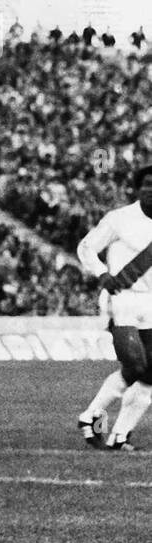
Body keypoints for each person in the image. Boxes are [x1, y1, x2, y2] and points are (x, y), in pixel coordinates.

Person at [75, 165, 152, 451]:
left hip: (151, 301)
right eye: (147, 184)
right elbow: (86, 247)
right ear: (138, 188)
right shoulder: (119, 219)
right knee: (136, 365)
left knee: (150, 373)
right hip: (122, 297)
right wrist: (102, 274)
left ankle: (119, 435)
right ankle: (94, 414)